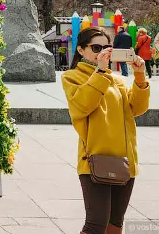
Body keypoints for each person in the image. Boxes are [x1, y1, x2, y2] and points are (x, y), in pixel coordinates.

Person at [62, 27, 150, 234]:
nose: (101, 51)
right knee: (95, 225)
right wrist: (100, 71)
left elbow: (137, 109)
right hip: (94, 159)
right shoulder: (72, 77)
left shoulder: (117, 79)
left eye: (106, 47)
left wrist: (139, 77)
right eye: (96, 47)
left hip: (125, 161)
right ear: (81, 50)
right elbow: (82, 106)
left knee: (115, 224)